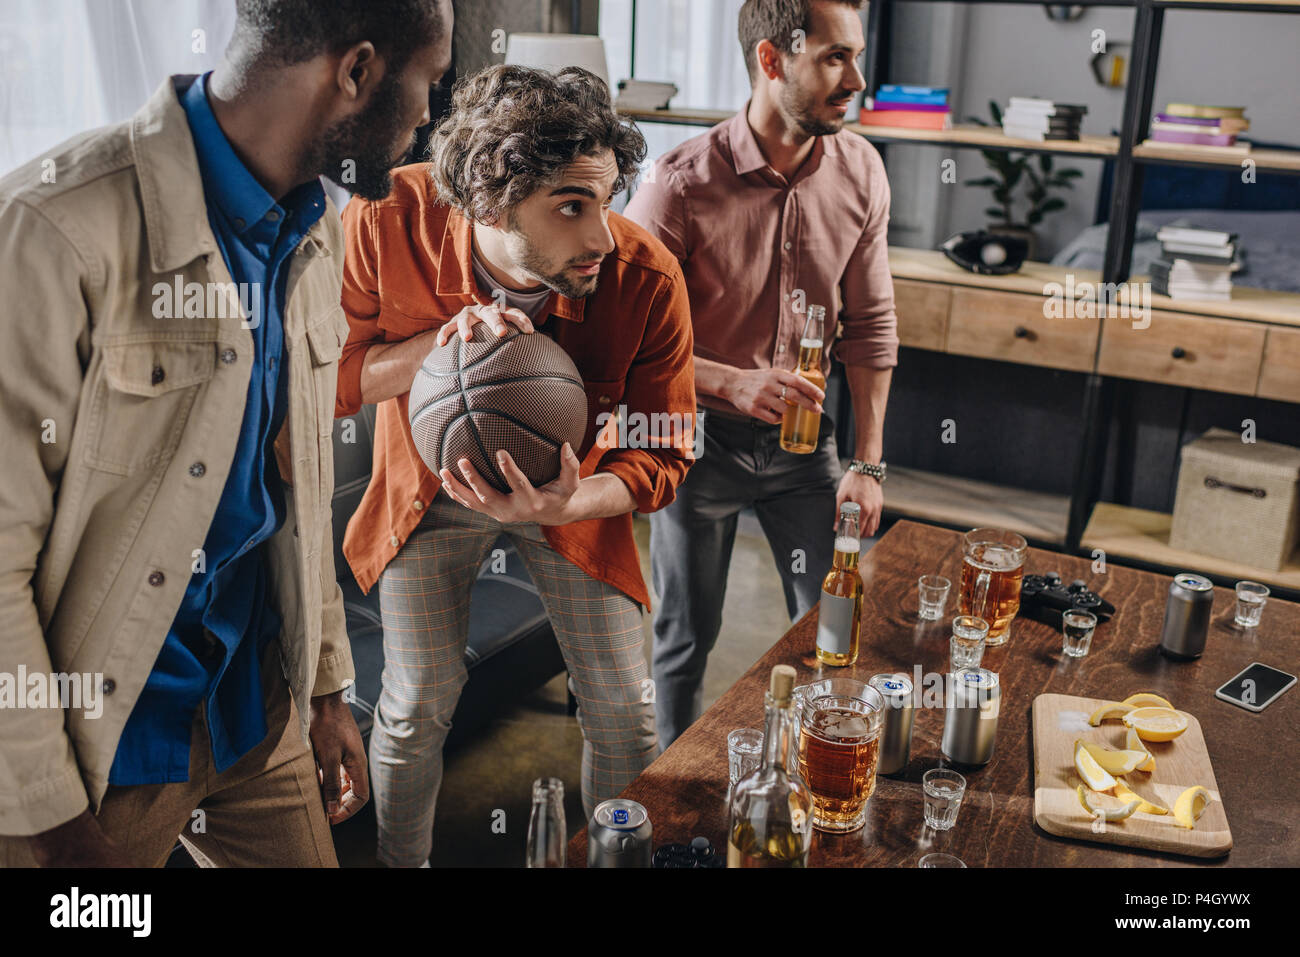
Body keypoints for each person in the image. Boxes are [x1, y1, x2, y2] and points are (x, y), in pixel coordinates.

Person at [0, 0, 452, 868]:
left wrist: (325, 688)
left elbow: (300, 483)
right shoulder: (55, 230)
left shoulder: (312, 231)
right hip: (105, 755)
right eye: (427, 81)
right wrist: (50, 825)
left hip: (253, 713)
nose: (430, 114)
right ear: (355, 72)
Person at [335, 64, 697, 868]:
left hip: (575, 497)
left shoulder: (645, 278)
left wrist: (580, 499)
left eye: (604, 201)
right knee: (413, 703)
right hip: (429, 491)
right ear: (490, 202)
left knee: (625, 713)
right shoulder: (383, 220)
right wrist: (441, 346)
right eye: (572, 206)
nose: (602, 234)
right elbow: (330, 376)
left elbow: (667, 452)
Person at [625, 0, 900, 748]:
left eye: (857, 55)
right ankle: (672, 797)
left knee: (834, 625)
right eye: (835, 58)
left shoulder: (862, 171)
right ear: (772, 61)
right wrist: (729, 382)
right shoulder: (677, 184)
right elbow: (629, 344)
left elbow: (871, 329)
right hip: (697, 444)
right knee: (685, 639)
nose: (858, 79)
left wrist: (868, 463)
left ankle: (822, 776)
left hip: (808, 452)